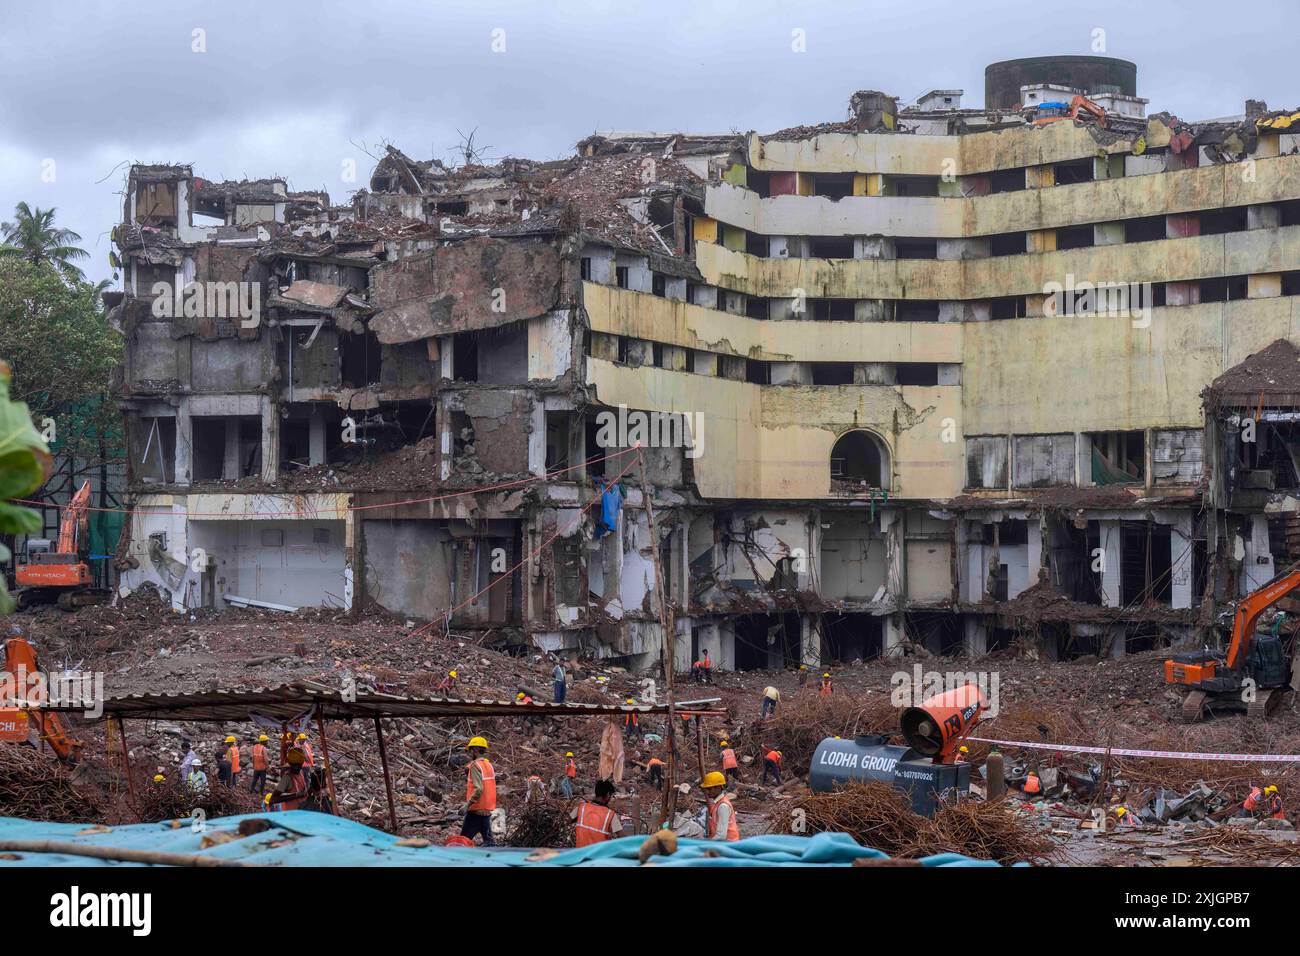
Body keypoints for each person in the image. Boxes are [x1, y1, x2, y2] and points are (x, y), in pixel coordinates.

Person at [462, 736, 496, 846]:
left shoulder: (475, 766)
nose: (469, 753)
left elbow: (479, 788)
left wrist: (467, 805)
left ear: (475, 750)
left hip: (475, 812)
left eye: (471, 750)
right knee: (490, 843)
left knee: (462, 843)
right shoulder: (489, 765)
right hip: (486, 811)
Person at [573, 779, 623, 848]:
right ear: (608, 794)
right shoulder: (610, 814)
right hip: (599, 858)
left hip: (580, 855)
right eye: (611, 796)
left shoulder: (581, 807)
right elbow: (622, 837)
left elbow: (565, 820)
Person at [700, 771, 739, 841]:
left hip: (728, 844)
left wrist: (706, 844)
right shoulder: (718, 803)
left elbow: (721, 836)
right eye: (706, 789)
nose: (707, 792)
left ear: (718, 787)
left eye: (709, 789)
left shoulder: (722, 806)